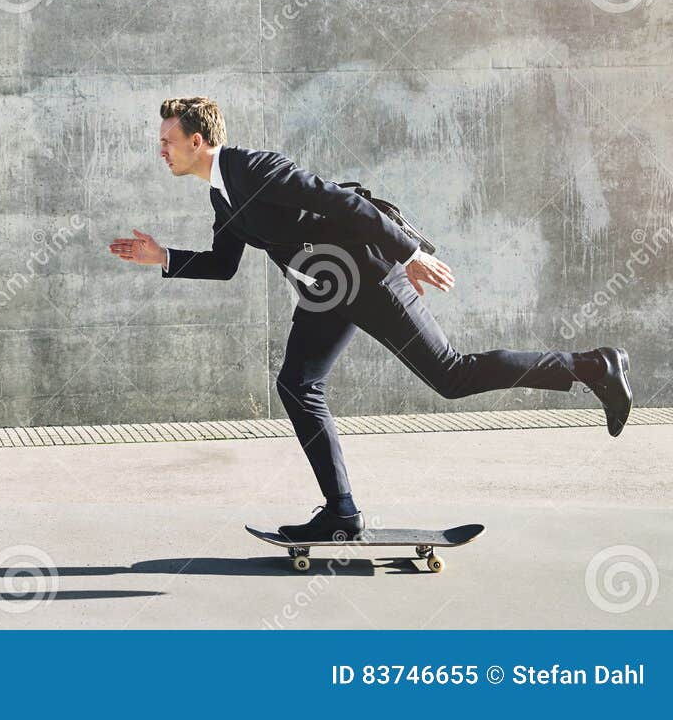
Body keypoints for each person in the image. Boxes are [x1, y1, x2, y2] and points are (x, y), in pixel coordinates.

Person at [108, 96, 632, 541]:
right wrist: (164, 257)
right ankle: (341, 513)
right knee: (297, 384)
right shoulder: (221, 194)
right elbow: (224, 265)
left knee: (451, 376)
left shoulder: (254, 168)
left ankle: (591, 366)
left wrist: (409, 254)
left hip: (368, 273)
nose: (161, 150)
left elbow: (342, 203)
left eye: (167, 141)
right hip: (329, 290)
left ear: (197, 140)